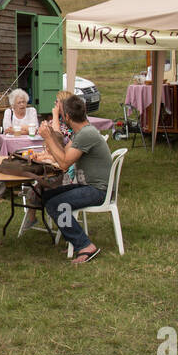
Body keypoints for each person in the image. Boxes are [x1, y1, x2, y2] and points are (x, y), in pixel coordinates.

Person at [37, 93, 112, 265]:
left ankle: (85, 245)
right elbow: (63, 153)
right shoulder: (83, 132)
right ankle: (73, 238)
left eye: (62, 114)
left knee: (56, 204)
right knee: (47, 195)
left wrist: (48, 138)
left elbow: (63, 164)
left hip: (98, 190)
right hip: (88, 185)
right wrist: (49, 144)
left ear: (68, 117)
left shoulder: (86, 134)